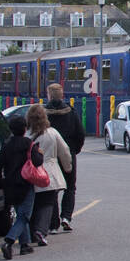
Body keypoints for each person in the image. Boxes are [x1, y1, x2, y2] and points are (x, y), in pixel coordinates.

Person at [0, 114, 42, 260]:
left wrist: (0, 183)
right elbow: (38, 162)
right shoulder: (28, 144)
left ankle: (24, 245)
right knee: (24, 216)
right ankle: (8, 241)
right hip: (25, 184)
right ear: (25, 128)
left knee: (20, 214)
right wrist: (40, 153)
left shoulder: (6, 144)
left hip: (10, 185)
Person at [26, 103, 73, 247]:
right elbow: (64, 151)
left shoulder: (27, 134)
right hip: (49, 173)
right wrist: (67, 167)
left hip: (31, 173)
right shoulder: (52, 133)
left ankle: (32, 232)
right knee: (47, 204)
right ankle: (41, 230)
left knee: (33, 204)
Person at [45, 83, 85, 232]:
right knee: (70, 187)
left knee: (52, 189)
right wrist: (75, 149)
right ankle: (66, 217)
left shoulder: (44, 113)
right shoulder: (71, 112)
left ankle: (53, 224)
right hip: (68, 153)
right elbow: (80, 133)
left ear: (49, 95)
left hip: (50, 156)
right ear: (62, 95)